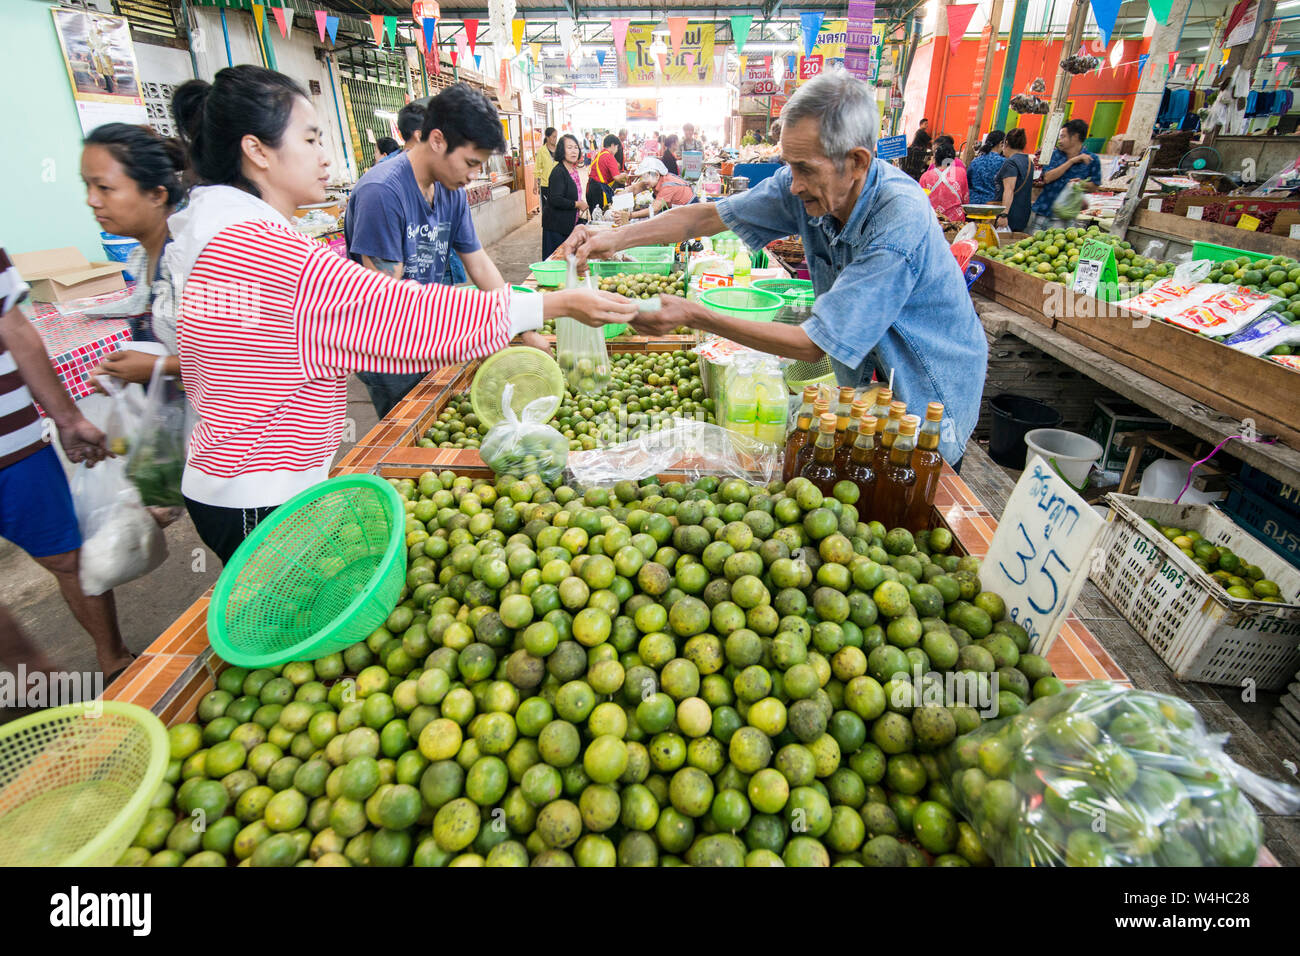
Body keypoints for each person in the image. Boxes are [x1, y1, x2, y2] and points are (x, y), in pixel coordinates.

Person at [167, 66, 634, 563]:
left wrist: (529, 318)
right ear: (256, 150)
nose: (326, 158)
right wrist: (551, 304)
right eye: (310, 139)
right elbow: (399, 313)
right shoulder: (259, 251)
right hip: (255, 490)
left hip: (248, 473)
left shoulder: (225, 234)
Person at [563, 71, 985, 467]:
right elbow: (704, 217)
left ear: (856, 162)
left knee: (909, 491)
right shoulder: (804, 185)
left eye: (805, 169)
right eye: (789, 164)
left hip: (926, 390)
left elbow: (814, 344)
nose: (793, 183)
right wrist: (611, 239)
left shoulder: (897, 222)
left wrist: (695, 314)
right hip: (865, 388)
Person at [346, 83, 539, 418]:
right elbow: (385, 301)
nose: (474, 175)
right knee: (407, 426)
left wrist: (520, 326)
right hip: (388, 349)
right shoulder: (382, 193)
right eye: (470, 162)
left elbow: (478, 262)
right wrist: (474, 324)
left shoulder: (449, 188)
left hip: (428, 333)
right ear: (437, 140)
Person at [0, 249, 135, 680]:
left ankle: (113, 659)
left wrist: (68, 416)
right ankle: (29, 682)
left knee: (68, 557)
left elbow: (14, 328)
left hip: (13, 446)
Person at [80, 123, 186, 382]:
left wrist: (160, 366)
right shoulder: (142, 258)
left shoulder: (197, 259)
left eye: (104, 188)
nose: (91, 200)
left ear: (156, 195)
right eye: (87, 186)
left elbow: (249, 355)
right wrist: (121, 372)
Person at [1030, 118, 1100, 230]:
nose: (1060, 140)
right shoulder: (1055, 155)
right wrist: (1072, 161)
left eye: (1063, 136)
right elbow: (1047, 178)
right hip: (1044, 211)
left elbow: (1095, 186)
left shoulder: (1092, 159)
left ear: (1075, 137)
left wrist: (1081, 184)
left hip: (1066, 217)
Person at [542, 133, 588, 260]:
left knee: (566, 262)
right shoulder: (558, 172)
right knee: (555, 261)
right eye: (569, 148)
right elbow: (555, 199)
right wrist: (577, 204)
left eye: (575, 147)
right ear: (562, 150)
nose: (574, 151)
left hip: (568, 224)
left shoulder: (572, 170)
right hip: (556, 227)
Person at [623, 158, 696, 221]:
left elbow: (654, 209)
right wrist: (624, 191)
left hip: (690, 209)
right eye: (642, 177)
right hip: (675, 208)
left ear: (657, 175)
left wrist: (630, 215)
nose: (644, 180)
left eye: (646, 177)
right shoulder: (655, 180)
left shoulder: (667, 185)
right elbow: (637, 188)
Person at [995, 127, 1033, 233]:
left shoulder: (1011, 162)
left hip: (1010, 215)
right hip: (1023, 214)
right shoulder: (1029, 162)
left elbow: (1009, 189)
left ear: (1006, 143)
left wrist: (1003, 214)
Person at [919, 143, 968, 223]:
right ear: (953, 159)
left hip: (932, 220)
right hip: (956, 222)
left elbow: (921, 201)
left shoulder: (925, 176)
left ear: (935, 159)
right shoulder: (961, 172)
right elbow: (965, 199)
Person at [586, 134, 629, 212]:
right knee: (603, 215)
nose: (617, 150)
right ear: (612, 145)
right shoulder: (609, 156)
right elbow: (617, 178)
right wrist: (626, 176)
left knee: (595, 214)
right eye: (617, 147)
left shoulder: (599, 154)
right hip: (599, 191)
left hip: (590, 188)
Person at [966, 130, 1007, 205]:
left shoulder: (975, 161)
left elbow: (968, 183)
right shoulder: (1003, 162)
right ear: (1001, 143)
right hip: (992, 205)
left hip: (974, 204)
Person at [536, 126, 558, 209]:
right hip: (545, 184)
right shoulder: (541, 151)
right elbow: (537, 168)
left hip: (558, 184)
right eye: (554, 136)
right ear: (547, 137)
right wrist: (535, 185)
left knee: (557, 208)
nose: (555, 139)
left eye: (556, 136)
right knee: (546, 208)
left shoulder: (559, 149)